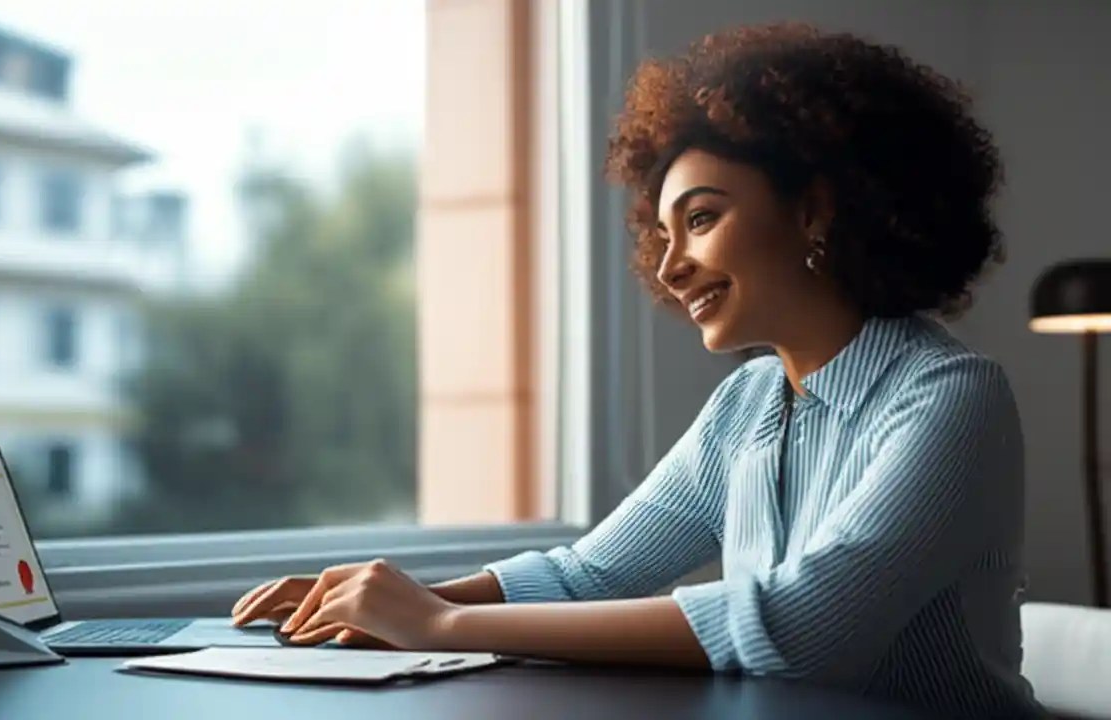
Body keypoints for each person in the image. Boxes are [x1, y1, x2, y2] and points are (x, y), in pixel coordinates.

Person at [231, 22, 1042, 718]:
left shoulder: (949, 399)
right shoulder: (749, 406)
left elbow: (801, 630)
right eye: (664, 235)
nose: (671, 267)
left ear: (816, 208)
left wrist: (440, 628)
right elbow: (589, 574)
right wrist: (395, 598)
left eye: (701, 218)